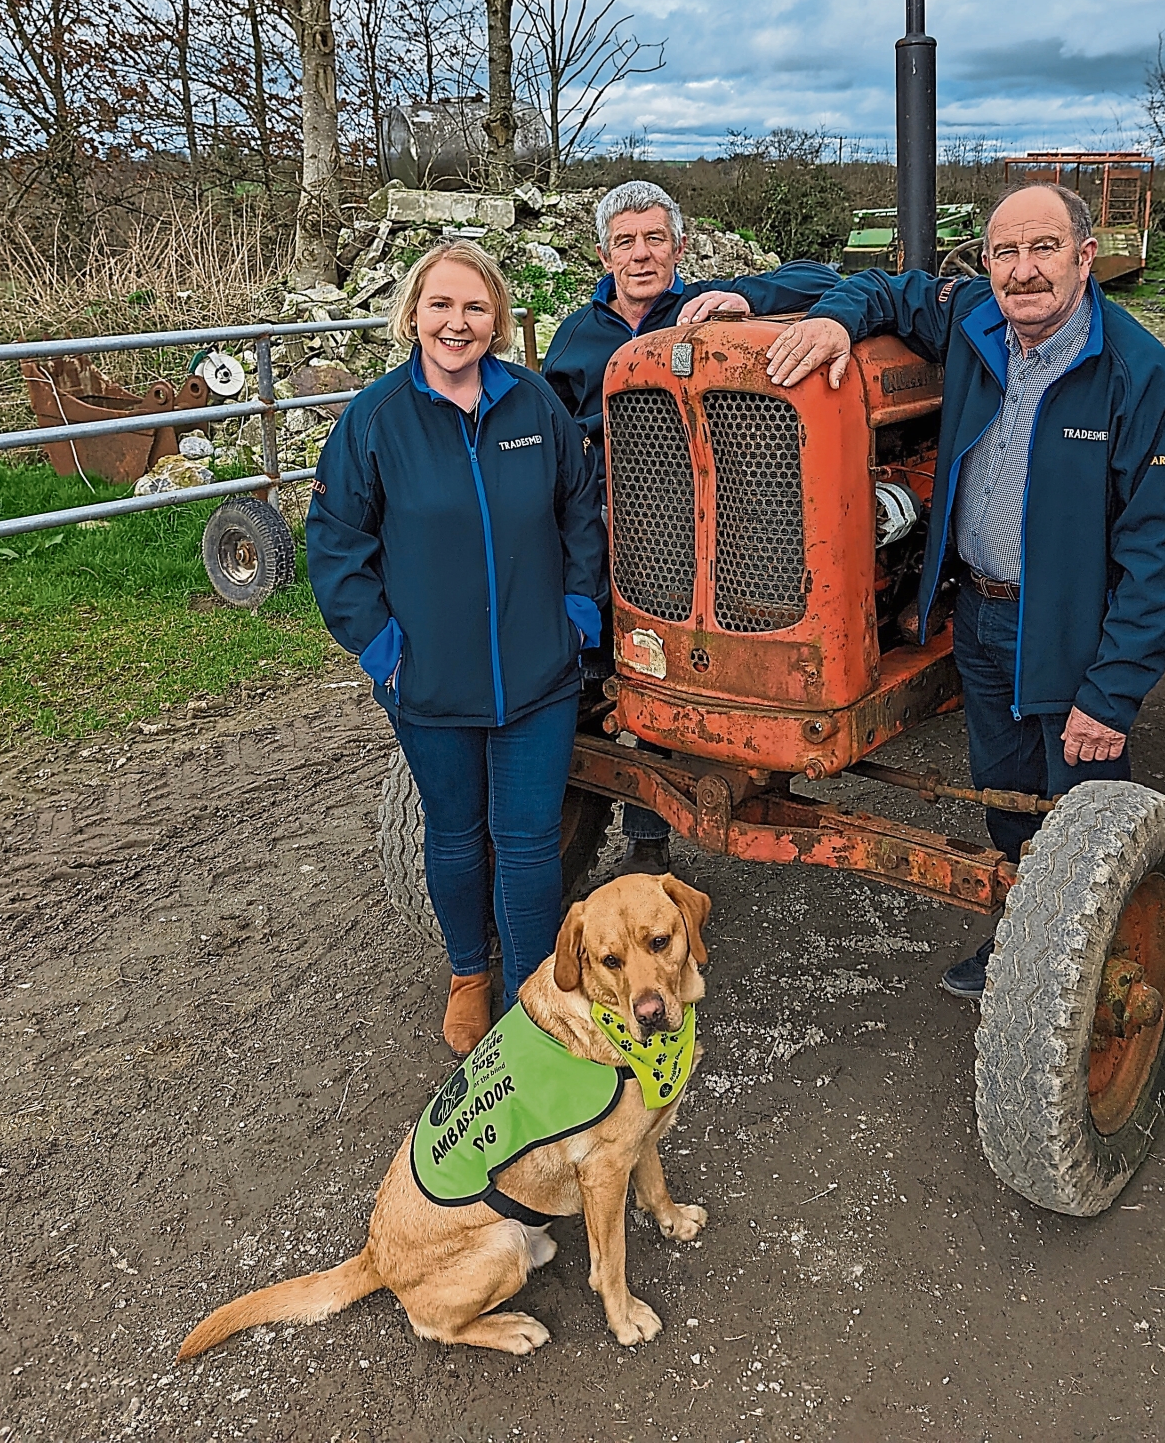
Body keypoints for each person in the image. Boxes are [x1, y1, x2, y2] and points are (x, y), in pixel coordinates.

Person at [693, 182, 1165, 1000]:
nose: (1023, 270)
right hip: (979, 612)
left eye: (1042, 249)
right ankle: (1016, 930)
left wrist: (1112, 693)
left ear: (1083, 256)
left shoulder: (1139, 379)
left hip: (1065, 625)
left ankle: (1083, 975)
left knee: (1078, 800)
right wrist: (830, 317)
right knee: (1004, 788)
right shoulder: (975, 321)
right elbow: (888, 288)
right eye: (1006, 251)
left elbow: (1163, 556)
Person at [306, 240, 606, 1054]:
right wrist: (382, 650)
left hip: (538, 677)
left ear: (497, 320)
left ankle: (536, 994)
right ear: (412, 314)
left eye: (474, 307)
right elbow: (336, 544)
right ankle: (470, 973)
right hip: (430, 682)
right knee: (452, 833)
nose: (456, 322)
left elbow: (579, 511)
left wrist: (578, 613)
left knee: (530, 840)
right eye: (440, 305)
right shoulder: (374, 420)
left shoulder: (534, 407)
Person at [543, 179, 839, 873]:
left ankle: (654, 830)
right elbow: (555, 431)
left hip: (709, 522)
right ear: (603, 253)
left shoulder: (707, 308)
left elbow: (822, 278)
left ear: (679, 245)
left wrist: (750, 297)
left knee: (681, 661)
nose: (641, 254)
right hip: (617, 523)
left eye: (654, 238)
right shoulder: (577, 334)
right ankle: (621, 823)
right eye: (625, 242)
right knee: (625, 666)